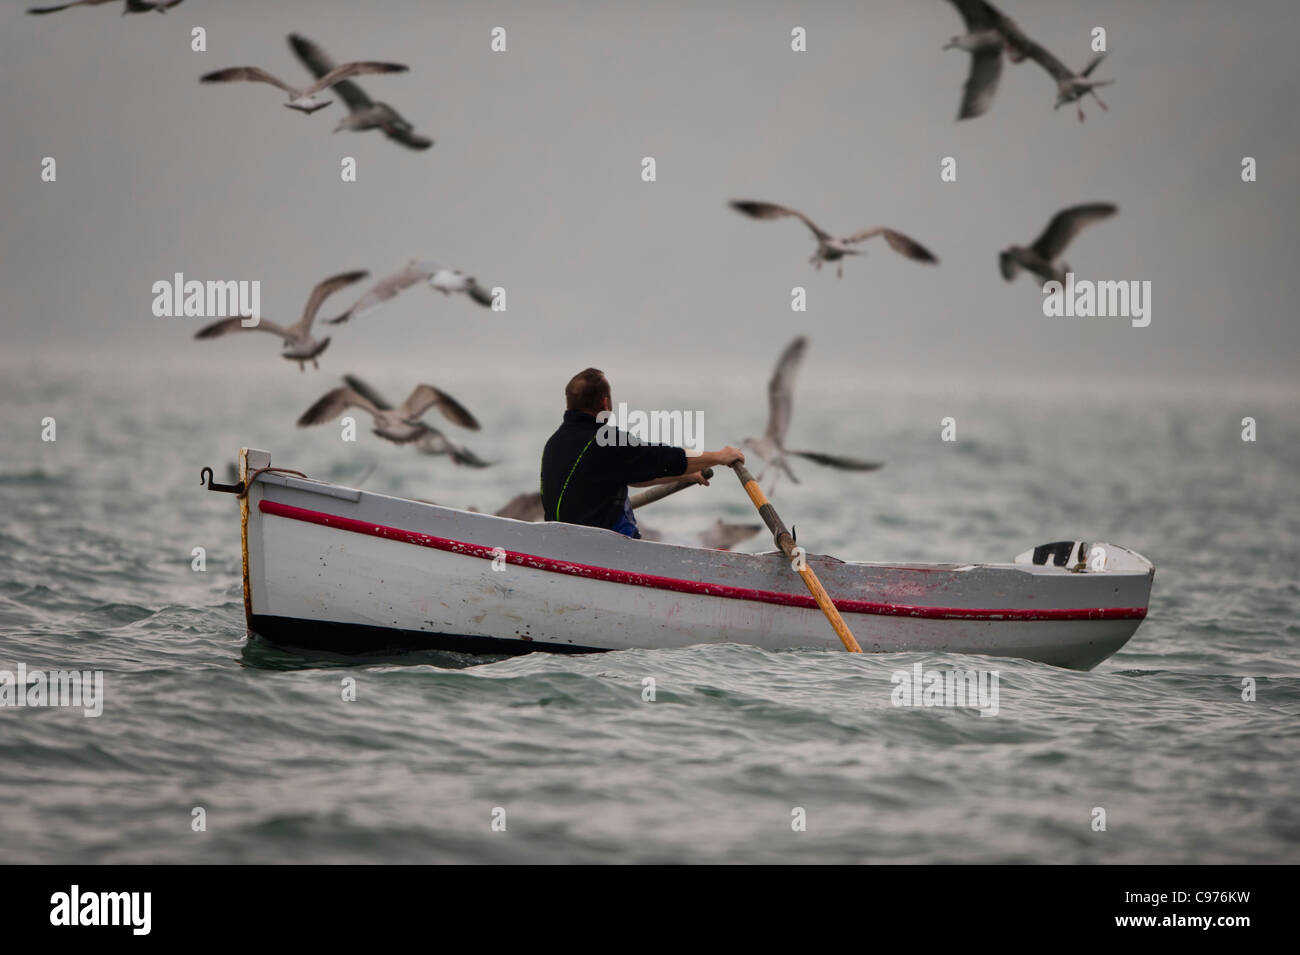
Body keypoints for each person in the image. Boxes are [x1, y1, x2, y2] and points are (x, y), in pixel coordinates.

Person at [540, 368, 744, 539]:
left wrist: (687, 475)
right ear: (605, 403)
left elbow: (635, 472)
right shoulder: (607, 441)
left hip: (560, 545)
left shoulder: (554, 443)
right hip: (605, 550)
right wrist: (719, 456)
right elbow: (663, 459)